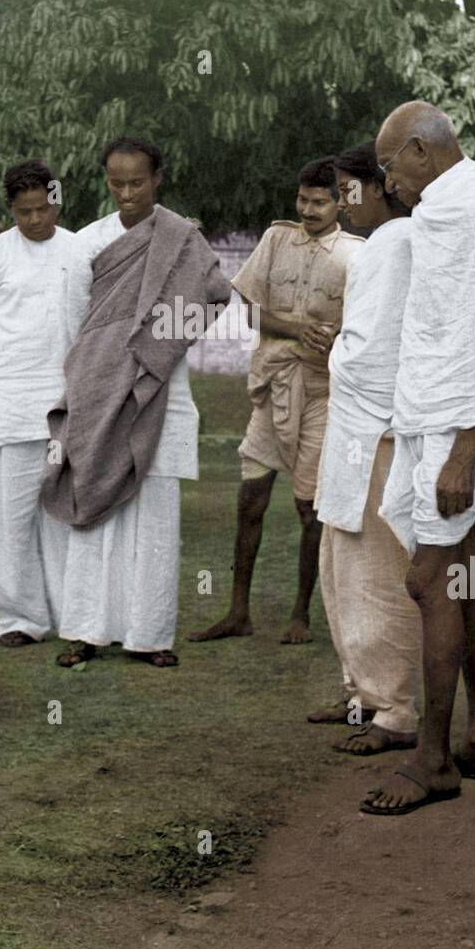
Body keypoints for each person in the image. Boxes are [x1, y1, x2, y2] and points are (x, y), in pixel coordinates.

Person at [362, 101, 475, 816]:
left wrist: (463, 450)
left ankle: (432, 758)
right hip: (441, 415)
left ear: (422, 151)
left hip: (461, 421)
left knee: (430, 579)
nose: (386, 180)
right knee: (460, 570)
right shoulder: (463, 200)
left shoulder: (470, 207)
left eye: (389, 164)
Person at [41, 137, 232, 669]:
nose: (126, 193)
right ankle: (84, 631)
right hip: (96, 394)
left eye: (137, 182)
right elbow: (73, 324)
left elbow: (215, 297)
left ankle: (150, 636)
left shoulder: (182, 239)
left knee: (154, 520)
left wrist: (153, 349)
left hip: (160, 390)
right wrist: (96, 376)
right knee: (95, 508)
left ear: (158, 178)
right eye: (116, 182)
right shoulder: (86, 242)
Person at [189, 157, 362, 645]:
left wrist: (336, 338)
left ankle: (301, 615)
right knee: (251, 498)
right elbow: (249, 313)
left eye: (320, 201)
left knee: (311, 508)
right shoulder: (275, 239)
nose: (308, 209)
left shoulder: (358, 255)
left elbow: (363, 324)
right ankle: (237, 610)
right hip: (271, 388)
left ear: (341, 203)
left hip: (321, 395)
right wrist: (296, 328)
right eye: (303, 200)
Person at [307, 142, 419, 754]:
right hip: (352, 427)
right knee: (341, 562)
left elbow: (377, 348)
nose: (345, 205)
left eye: (352, 190)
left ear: (381, 188)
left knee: (377, 571)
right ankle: (359, 691)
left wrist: (336, 356)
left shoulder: (399, 243)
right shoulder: (381, 248)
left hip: (378, 429)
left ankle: (395, 711)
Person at [0, 159, 78, 647]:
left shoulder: (79, 250)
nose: (34, 220)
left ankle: (71, 614)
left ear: (56, 199)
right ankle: (11, 619)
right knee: (5, 517)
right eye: (23, 211)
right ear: (11, 209)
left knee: (60, 512)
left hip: (63, 406)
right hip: (6, 404)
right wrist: (7, 366)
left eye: (42, 208)